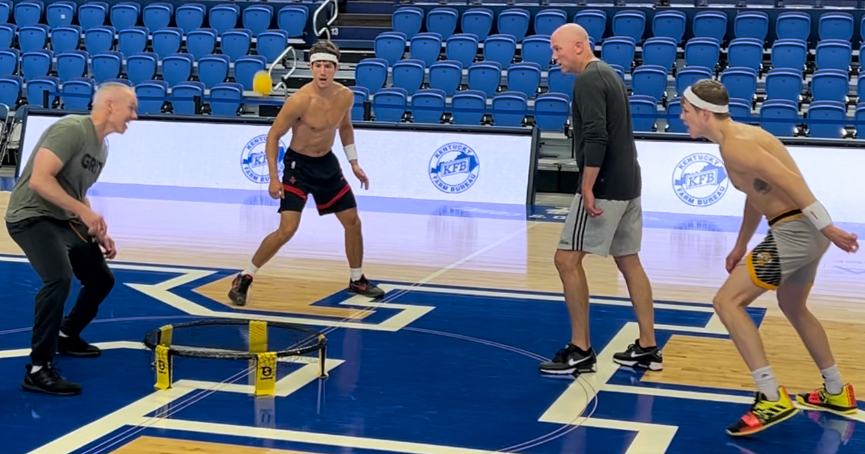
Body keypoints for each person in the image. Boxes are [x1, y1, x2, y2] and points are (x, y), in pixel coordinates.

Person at [679, 79, 860, 436]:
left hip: (796, 232)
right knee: (793, 306)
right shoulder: (734, 142)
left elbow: (790, 181)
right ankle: (837, 390)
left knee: (727, 302)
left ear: (703, 113)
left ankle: (770, 396)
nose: (682, 118)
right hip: (796, 231)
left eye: (685, 112)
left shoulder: (737, 147)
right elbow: (755, 193)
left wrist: (828, 228)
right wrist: (740, 244)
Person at [539, 23, 662, 376]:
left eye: (558, 49)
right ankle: (648, 347)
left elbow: (596, 135)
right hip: (628, 182)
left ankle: (580, 349)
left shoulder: (589, 80)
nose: (554, 56)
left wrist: (588, 186)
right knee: (629, 261)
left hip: (605, 184)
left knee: (566, 260)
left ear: (578, 46)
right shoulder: (608, 73)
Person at [5, 83, 138, 396]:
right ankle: (38, 369)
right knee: (59, 280)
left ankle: (66, 334)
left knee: (101, 278)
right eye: (130, 107)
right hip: (31, 216)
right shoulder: (71, 129)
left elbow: (77, 194)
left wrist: (97, 229)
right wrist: (83, 212)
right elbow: (40, 180)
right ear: (109, 105)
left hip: (63, 220)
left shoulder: (101, 148)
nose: (134, 115)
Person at [228, 40, 385, 306]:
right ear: (311, 68)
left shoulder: (345, 96)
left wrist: (354, 162)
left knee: (353, 222)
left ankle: (356, 279)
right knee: (287, 230)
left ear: (336, 69)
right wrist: (274, 178)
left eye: (328, 66)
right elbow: (273, 136)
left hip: (326, 164)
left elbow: (345, 128)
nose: (323, 71)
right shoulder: (298, 101)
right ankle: (245, 276)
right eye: (318, 65)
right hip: (297, 167)